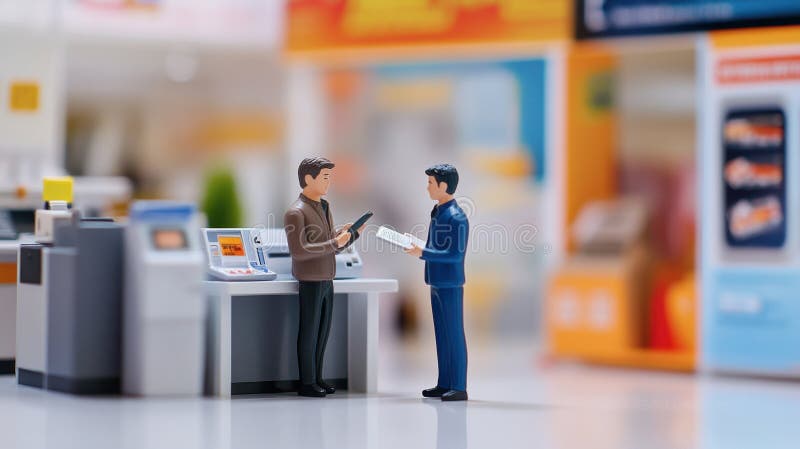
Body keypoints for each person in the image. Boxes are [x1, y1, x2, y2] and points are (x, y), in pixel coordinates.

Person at [284, 157, 366, 397]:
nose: (329, 182)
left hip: (327, 279)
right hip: (310, 280)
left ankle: (317, 377)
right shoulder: (295, 212)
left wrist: (350, 235)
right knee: (309, 332)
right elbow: (299, 251)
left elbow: (331, 247)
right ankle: (307, 382)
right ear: (308, 179)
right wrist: (334, 242)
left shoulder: (325, 207)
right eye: (325, 177)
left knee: (323, 332)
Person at [404, 163, 469, 401]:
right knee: (441, 336)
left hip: (450, 283)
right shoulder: (438, 212)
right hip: (436, 281)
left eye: (431, 183)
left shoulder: (457, 218)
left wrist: (423, 252)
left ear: (443, 185)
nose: (428, 187)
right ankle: (444, 383)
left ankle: (458, 385)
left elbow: (454, 255)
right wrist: (421, 247)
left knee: (454, 335)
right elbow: (437, 245)